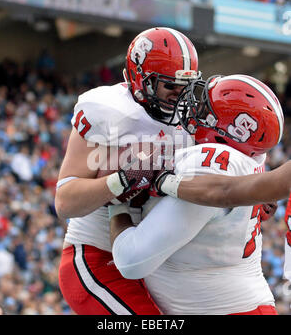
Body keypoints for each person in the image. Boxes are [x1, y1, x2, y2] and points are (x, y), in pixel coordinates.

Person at [109, 74, 284, 314]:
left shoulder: (209, 162)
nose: (195, 110)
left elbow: (131, 261)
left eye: (205, 109)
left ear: (231, 130)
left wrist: (116, 206)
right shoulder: (249, 157)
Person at [55, 27, 201, 315]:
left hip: (153, 262)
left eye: (186, 86)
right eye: (170, 85)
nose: (180, 95)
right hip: (100, 256)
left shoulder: (193, 117)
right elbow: (65, 202)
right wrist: (122, 180)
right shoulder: (106, 110)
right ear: (141, 79)